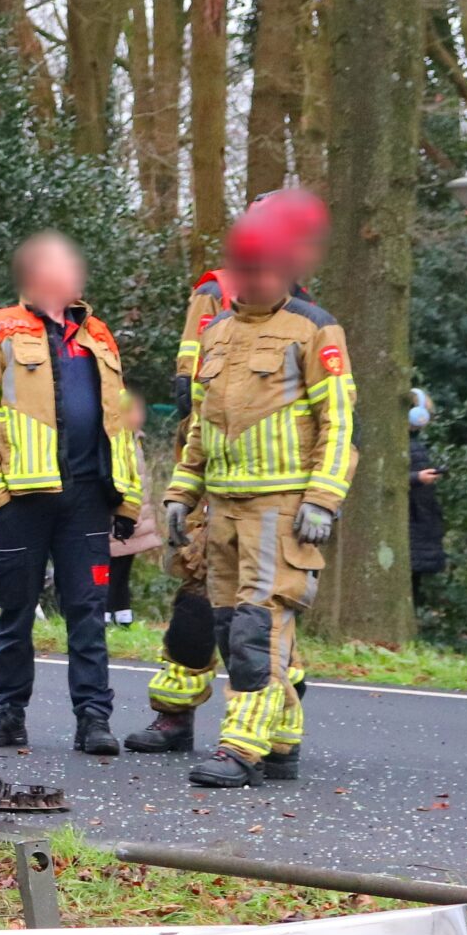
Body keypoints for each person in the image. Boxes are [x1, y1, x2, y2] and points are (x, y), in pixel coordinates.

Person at [128, 188, 331, 754]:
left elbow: (329, 416)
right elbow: (193, 393)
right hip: (217, 480)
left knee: (261, 611)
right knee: (201, 597)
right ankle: (175, 712)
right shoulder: (216, 293)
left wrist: (318, 493)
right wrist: (189, 490)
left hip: (276, 487)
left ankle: (271, 723)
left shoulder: (309, 314)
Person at [163, 206, 356, 788]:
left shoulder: (315, 329)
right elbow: (201, 424)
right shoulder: (216, 331)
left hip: (282, 509)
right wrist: (181, 491)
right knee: (230, 629)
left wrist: (322, 498)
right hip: (221, 507)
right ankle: (281, 741)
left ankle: (240, 748)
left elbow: (340, 422)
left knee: (257, 629)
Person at [0, 232, 144, 755]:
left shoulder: (99, 337)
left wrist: (126, 499)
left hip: (87, 498)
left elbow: (120, 424)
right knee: (15, 611)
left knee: (88, 609)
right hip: (21, 500)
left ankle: (93, 718)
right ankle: (8, 712)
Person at [107, 391, 160, 626]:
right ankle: (110, 614)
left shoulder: (134, 439)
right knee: (112, 570)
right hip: (122, 513)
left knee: (122, 570)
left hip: (136, 514)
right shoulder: (118, 439)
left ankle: (122, 614)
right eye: (134, 411)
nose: (140, 416)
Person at [407, 388, 447, 606]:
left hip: (420, 519)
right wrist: (416, 478)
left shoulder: (416, 444)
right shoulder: (403, 445)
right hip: (412, 520)